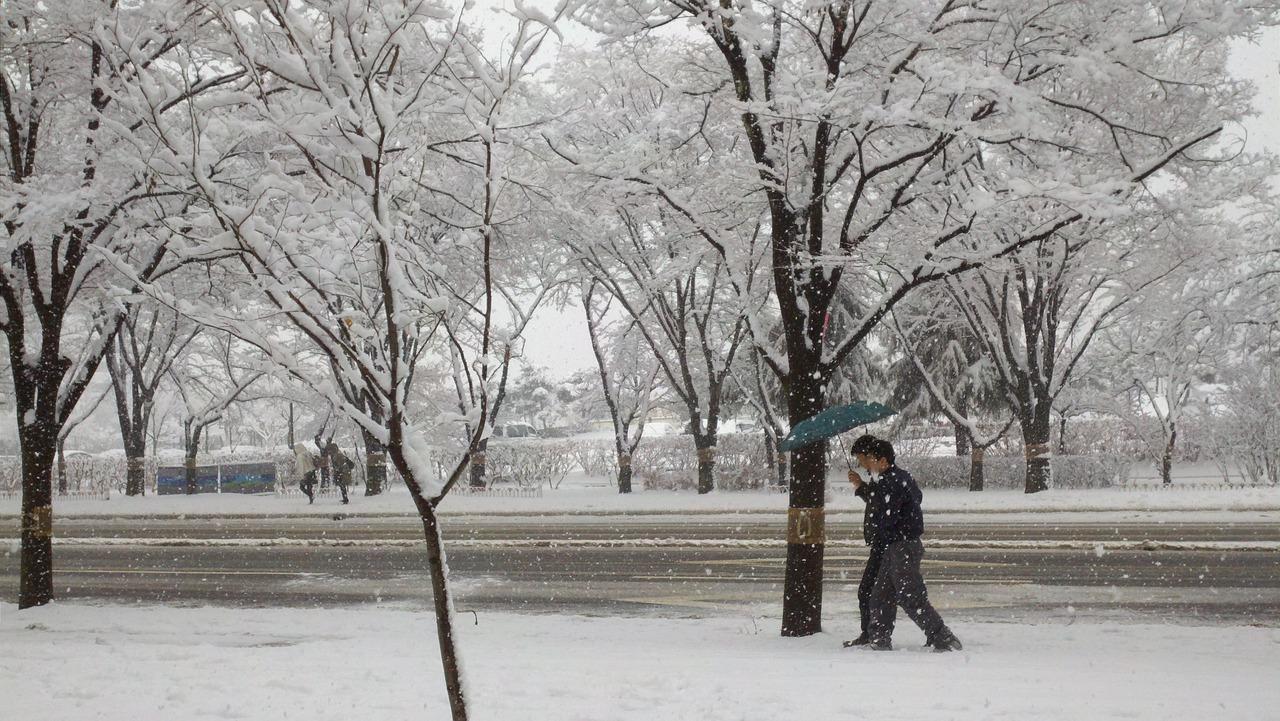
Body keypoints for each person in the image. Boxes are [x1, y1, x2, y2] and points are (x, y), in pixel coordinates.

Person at [844, 434, 963, 652]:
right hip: (893, 546)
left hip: (903, 546)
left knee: (911, 597)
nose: (866, 464)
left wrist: (878, 515)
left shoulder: (893, 482)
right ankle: (879, 639)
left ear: (882, 460)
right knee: (880, 595)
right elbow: (905, 500)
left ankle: (943, 637)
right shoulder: (891, 479)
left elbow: (889, 515)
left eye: (869, 459)